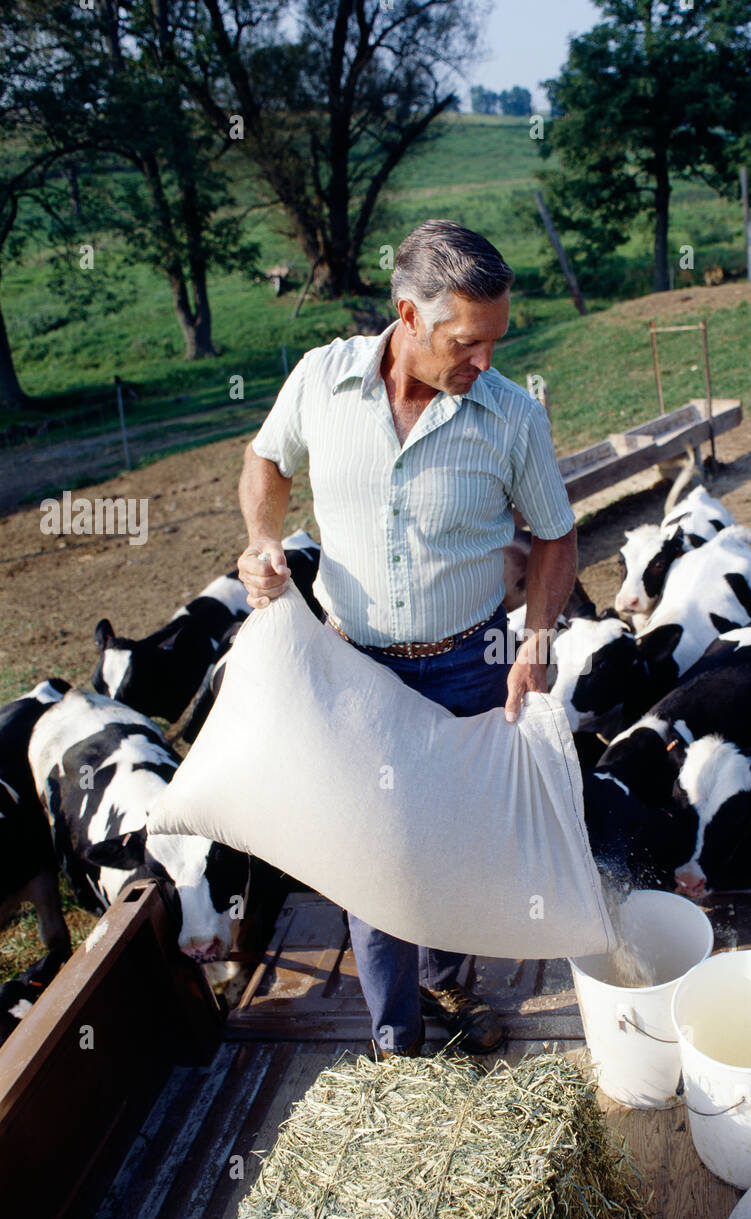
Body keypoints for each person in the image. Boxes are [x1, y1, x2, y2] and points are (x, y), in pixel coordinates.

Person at [236, 220, 578, 1058]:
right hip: (351, 663)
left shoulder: (511, 417)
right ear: (408, 315)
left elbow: (556, 536)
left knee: (453, 840)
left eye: (497, 341)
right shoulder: (322, 380)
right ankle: (399, 1041)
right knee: (376, 856)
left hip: (467, 662)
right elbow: (266, 464)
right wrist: (262, 540)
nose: (486, 362)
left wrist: (535, 637)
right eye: (468, 343)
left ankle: (448, 979)